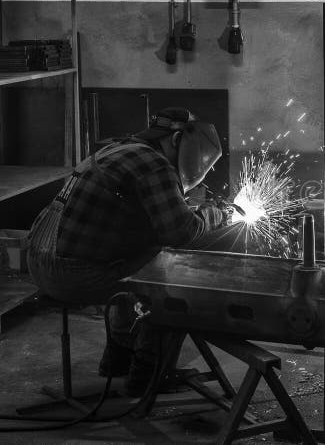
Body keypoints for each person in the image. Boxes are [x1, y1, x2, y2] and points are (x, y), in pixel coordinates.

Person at [27, 107, 230, 396]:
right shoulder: (155, 164)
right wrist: (215, 214)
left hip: (40, 263)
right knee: (176, 272)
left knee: (141, 254)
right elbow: (182, 233)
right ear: (175, 140)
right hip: (74, 275)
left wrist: (192, 212)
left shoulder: (118, 150)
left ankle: (117, 361)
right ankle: (149, 375)